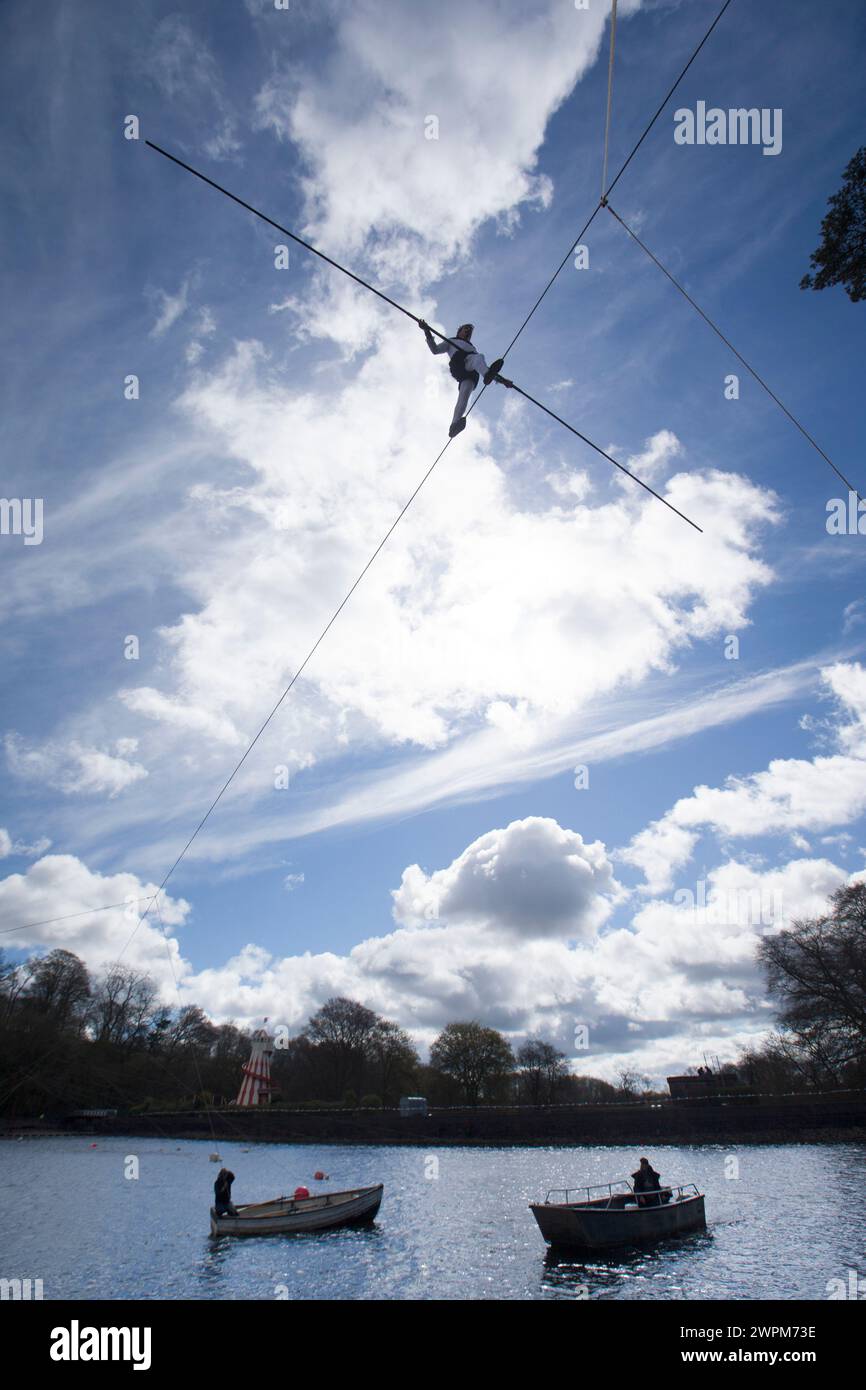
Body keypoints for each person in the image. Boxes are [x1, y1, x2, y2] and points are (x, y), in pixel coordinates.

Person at [419, 320, 512, 437]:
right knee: (478, 358)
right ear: (459, 331)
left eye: (470, 331)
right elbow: (435, 350)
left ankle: (454, 425)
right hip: (460, 363)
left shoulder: (473, 349)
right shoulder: (452, 341)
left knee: (464, 395)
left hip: (471, 372)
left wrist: (503, 381)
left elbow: (482, 367)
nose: (468, 332)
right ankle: (487, 375)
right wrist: (427, 331)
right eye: (466, 329)